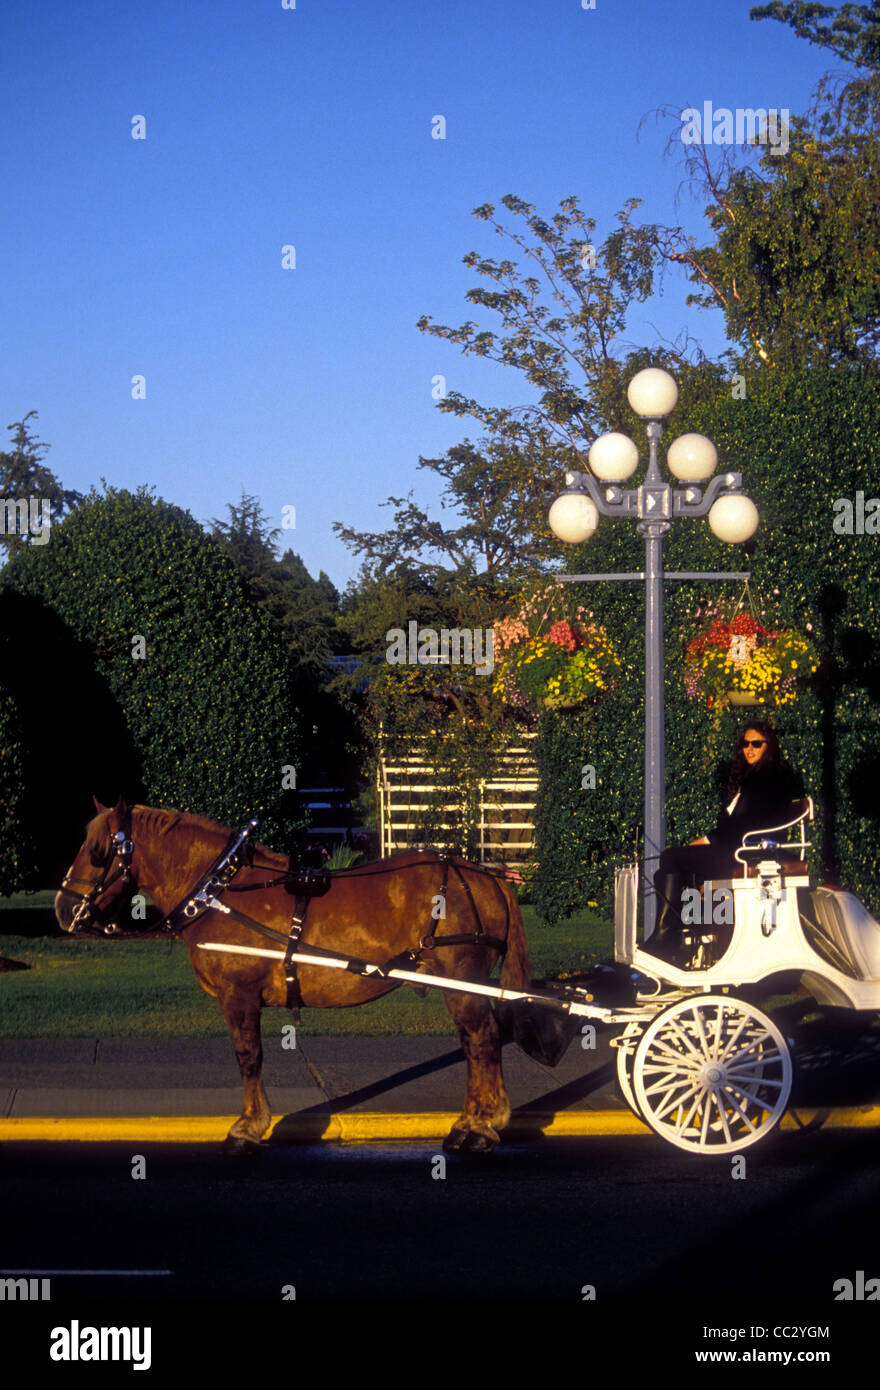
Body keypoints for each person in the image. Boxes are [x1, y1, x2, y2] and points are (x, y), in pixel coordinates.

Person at [647, 722, 805, 964]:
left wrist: (704, 842)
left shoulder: (768, 777)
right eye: (745, 744)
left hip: (748, 852)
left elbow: (742, 826)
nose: (749, 749)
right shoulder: (756, 777)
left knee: (671, 858)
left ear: (768, 746)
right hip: (740, 847)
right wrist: (704, 842)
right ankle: (680, 932)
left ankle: (666, 938)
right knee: (668, 867)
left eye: (756, 744)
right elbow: (737, 825)